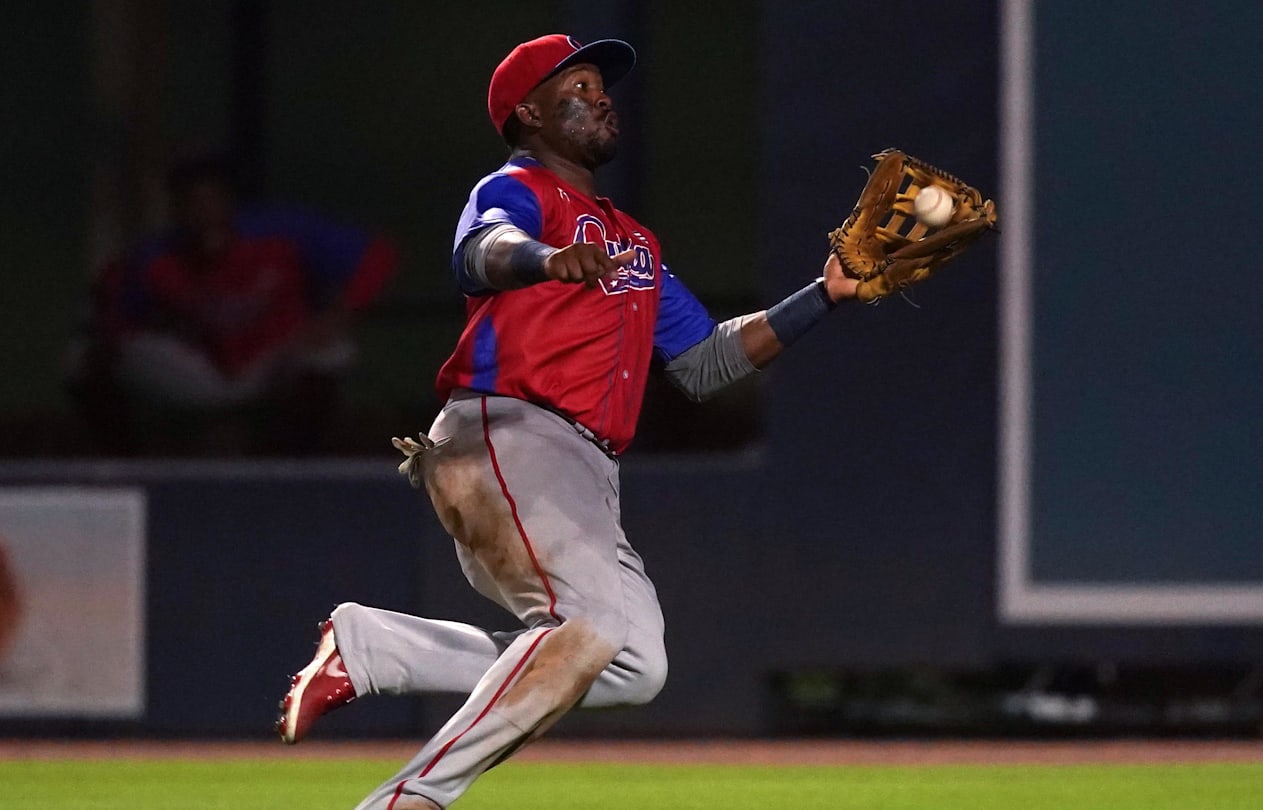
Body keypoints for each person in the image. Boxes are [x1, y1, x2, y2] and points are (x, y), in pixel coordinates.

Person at [274, 34, 860, 809]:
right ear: (530, 113)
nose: (603, 95)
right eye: (580, 86)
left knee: (630, 664)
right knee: (588, 626)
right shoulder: (518, 189)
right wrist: (546, 260)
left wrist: (824, 295)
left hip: (582, 472)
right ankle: (409, 800)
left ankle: (373, 648)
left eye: (601, 85)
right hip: (511, 434)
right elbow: (480, 251)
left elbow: (705, 361)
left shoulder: (635, 242)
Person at [66, 154, 398, 455]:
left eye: (213, 200)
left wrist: (334, 318)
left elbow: (376, 256)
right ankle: (132, 465)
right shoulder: (157, 258)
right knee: (85, 359)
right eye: (192, 203)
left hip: (275, 359)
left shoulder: (279, 233)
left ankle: (292, 462)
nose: (204, 212)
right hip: (204, 369)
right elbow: (112, 311)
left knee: (331, 352)